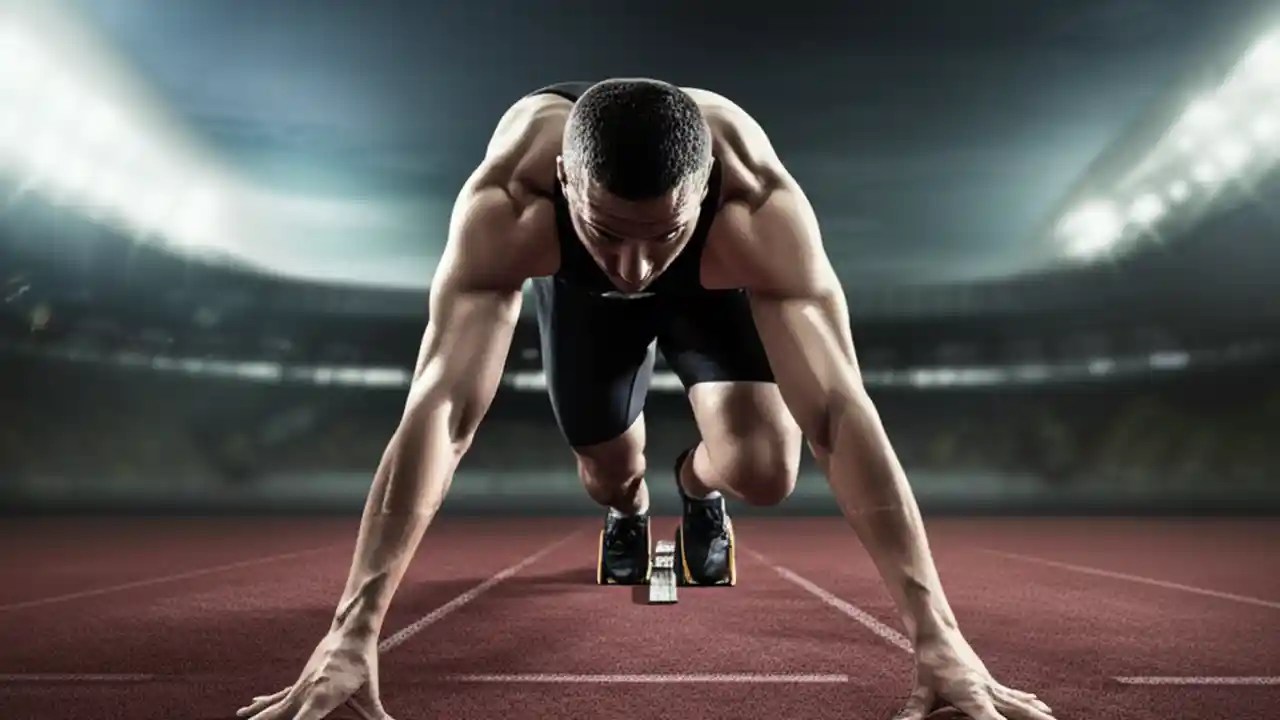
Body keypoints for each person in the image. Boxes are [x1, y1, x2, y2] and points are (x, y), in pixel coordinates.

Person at [236, 78, 1056, 720]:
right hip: (579, 298)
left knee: (767, 472)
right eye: (608, 231)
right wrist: (352, 630)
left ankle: (696, 487)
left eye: (661, 234)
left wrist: (938, 638)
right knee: (606, 475)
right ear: (565, 181)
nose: (634, 269)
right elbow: (442, 411)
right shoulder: (510, 202)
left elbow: (840, 415)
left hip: (713, 284)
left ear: (704, 189)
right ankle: (629, 509)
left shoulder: (758, 208)